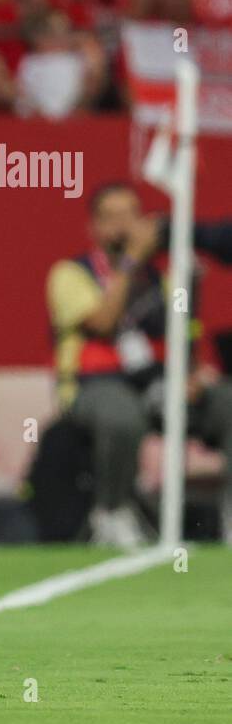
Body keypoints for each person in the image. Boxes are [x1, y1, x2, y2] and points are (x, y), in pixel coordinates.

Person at [46, 182, 232, 545]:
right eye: (111, 217)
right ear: (94, 227)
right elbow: (103, 322)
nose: (122, 226)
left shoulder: (163, 278)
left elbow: (179, 333)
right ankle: (112, 513)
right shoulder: (69, 274)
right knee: (121, 416)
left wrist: (191, 376)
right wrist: (131, 260)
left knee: (227, 402)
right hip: (94, 387)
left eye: (130, 216)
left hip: (158, 385)